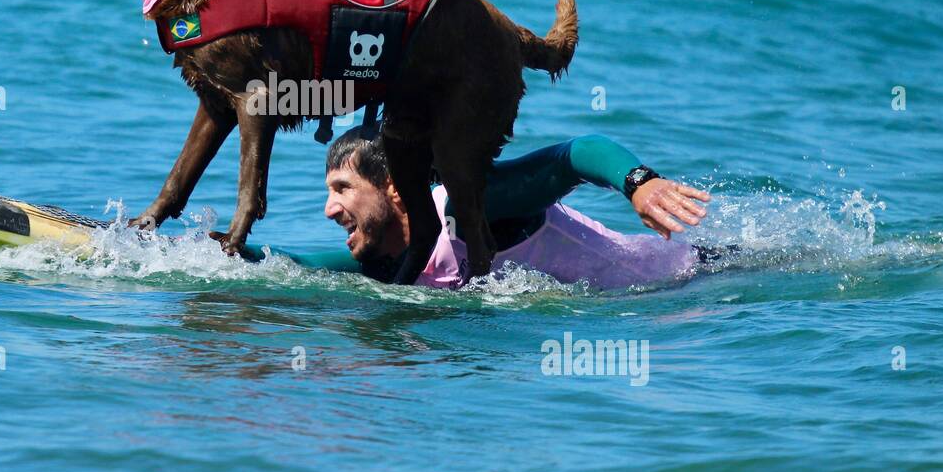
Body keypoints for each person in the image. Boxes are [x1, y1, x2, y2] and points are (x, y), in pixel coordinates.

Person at [262, 129, 715, 290]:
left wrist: (639, 183)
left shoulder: (468, 210)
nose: (327, 208)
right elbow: (295, 266)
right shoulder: (389, 260)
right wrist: (222, 249)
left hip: (688, 282)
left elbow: (574, 155)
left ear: (396, 189)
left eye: (343, 188)